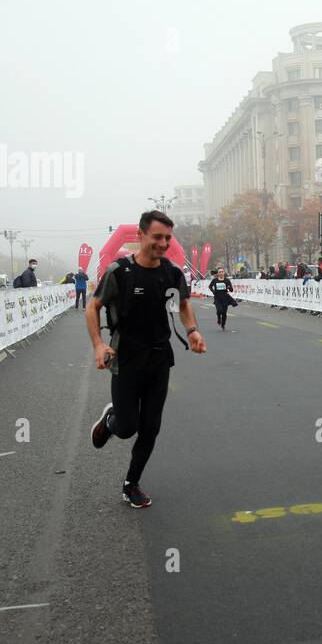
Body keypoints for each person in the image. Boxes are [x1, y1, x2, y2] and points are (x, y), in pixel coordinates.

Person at [87, 210, 206, 508]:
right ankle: (111, 420)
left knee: (151, 426)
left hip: (158, 359)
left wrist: (192, 330)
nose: (163, 243)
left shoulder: (172, 273)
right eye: (157, 237)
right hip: (125, 358)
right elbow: (93, 307)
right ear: (140, 236)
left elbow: (183, 304)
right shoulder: (119, 271)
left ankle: (131, 484)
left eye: (167, 238)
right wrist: (99, 345)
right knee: (128, 427)